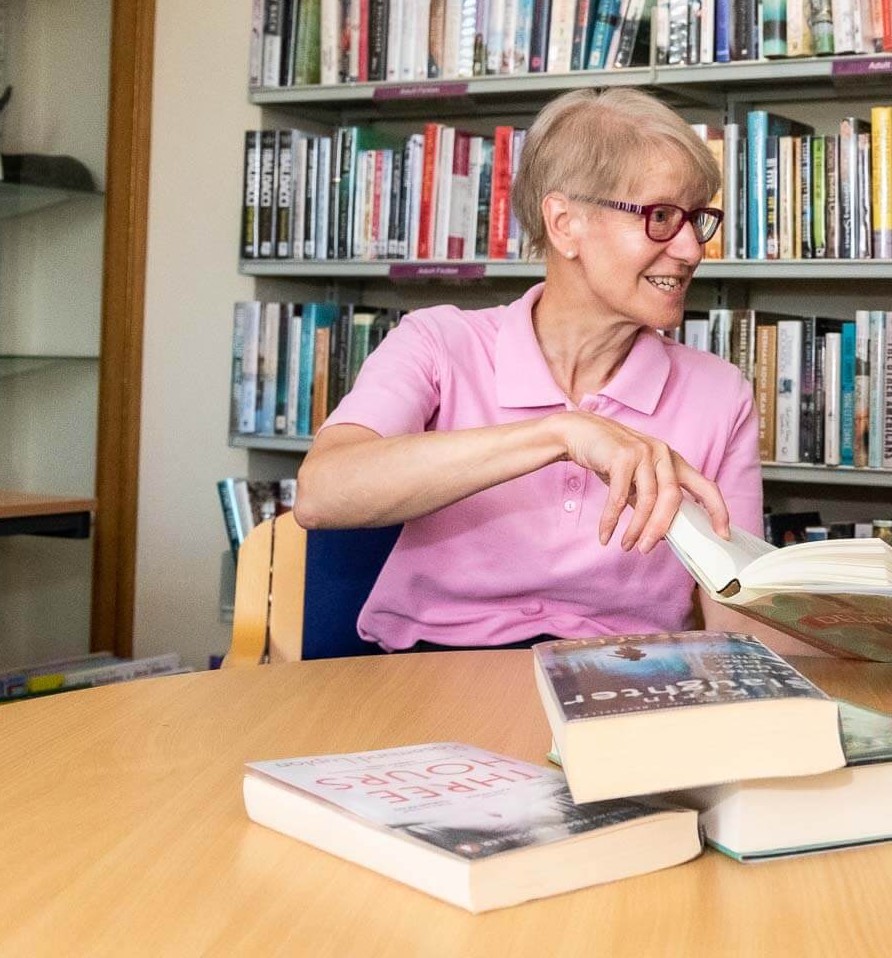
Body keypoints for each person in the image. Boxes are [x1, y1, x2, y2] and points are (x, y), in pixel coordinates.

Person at [295, 87, 765, 653]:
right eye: (662, 217)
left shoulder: (722, 394)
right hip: (431, 679)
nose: (691, 249)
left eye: (697, 220)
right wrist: (562, 434)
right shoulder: (439, 342)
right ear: (565, 223)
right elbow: (321, 494)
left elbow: (738, 624)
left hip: (629, 685)